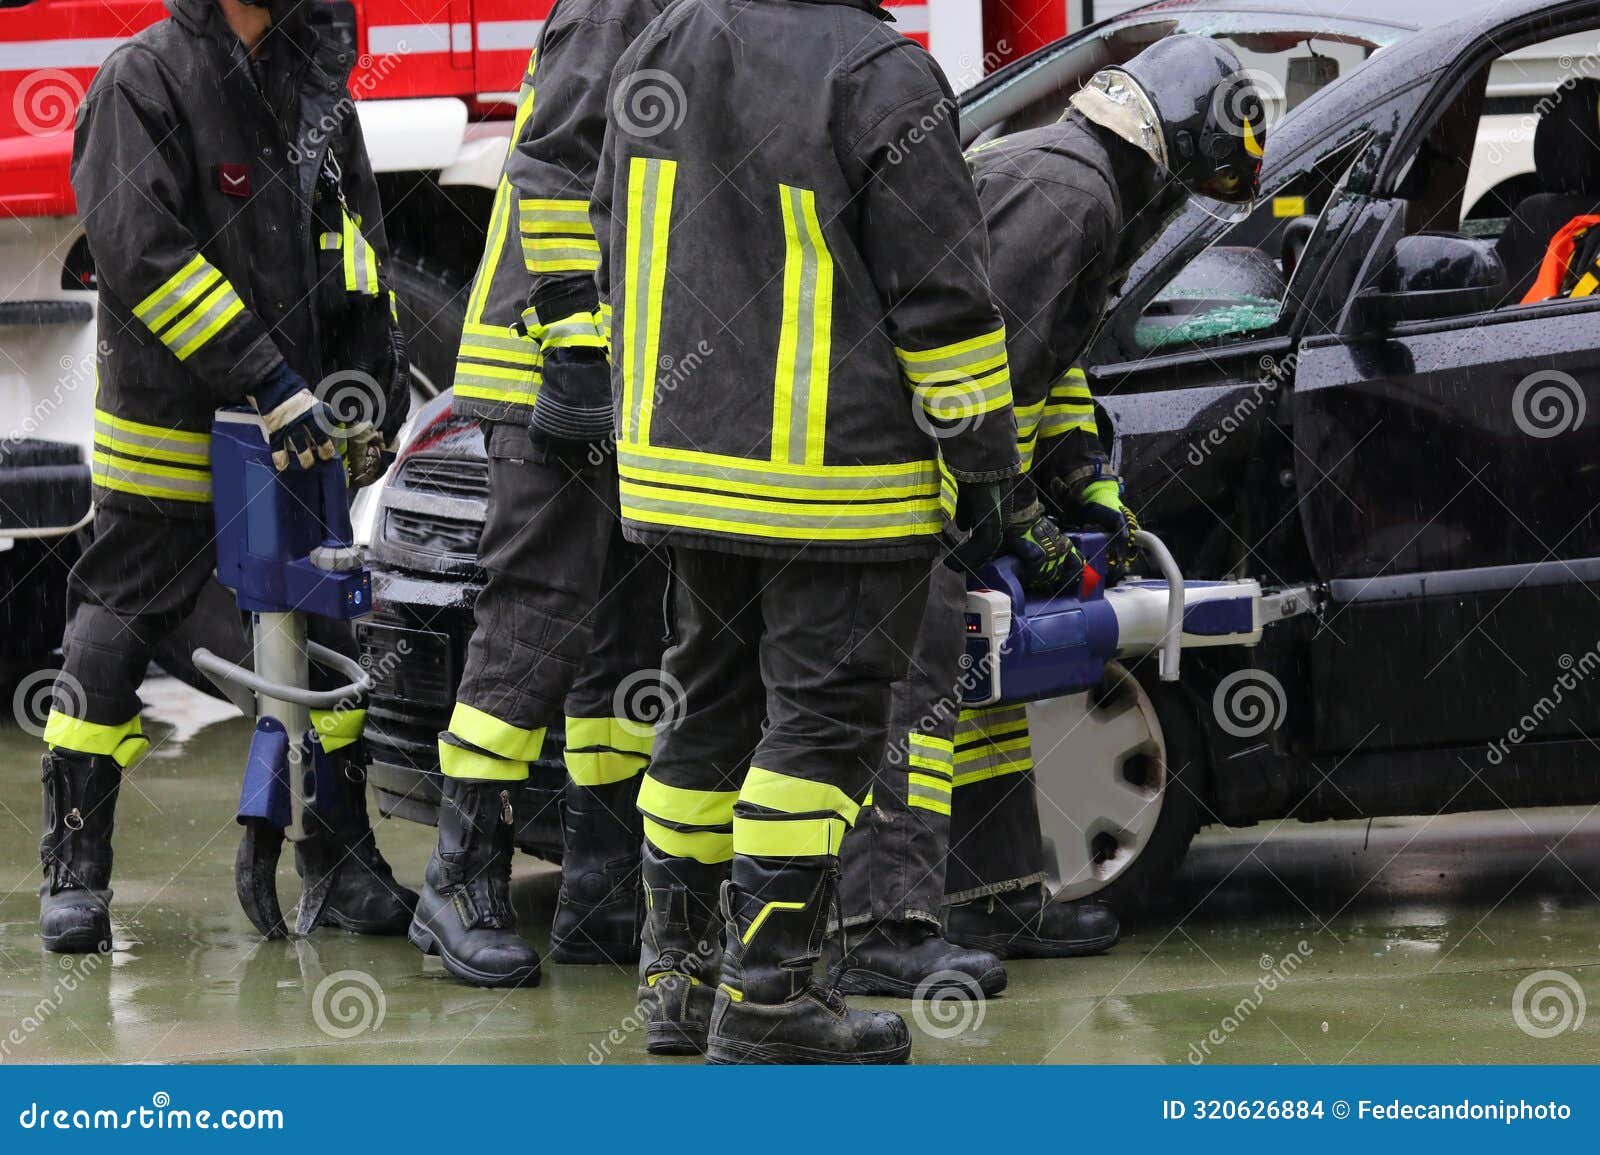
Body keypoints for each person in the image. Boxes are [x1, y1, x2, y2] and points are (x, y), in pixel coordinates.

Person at [595, 0, 1021, 1064]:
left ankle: (677, 984)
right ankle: (773, 994)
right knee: (822, 726)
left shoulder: (663, 44)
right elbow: (943, 300)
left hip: (681, 471)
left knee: (707, 710)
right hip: (830, 480)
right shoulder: (878, 73)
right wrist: (983, 470)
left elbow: (611, 231)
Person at [836, 35, 1268, 977]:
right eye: (1188, 183)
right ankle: (885, 930)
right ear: (1164, 147)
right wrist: (1006, 508)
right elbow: (977, 368)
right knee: (913, 679)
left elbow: (1047, 361)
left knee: (980, 690)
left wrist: (1085, 481)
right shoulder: (1070, 196)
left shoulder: (1085, 191)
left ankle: (990, 898)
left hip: (956, 466)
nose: (1177, 210)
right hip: (914, 465)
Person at [45, 0, 414, 954]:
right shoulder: (144, 78)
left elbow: (358, 247)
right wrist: (267, 379)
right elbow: (144, 257)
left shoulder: (319, 85)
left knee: (328, 630)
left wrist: (369, 381)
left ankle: (339, 860)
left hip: (297, 432)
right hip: (173, 425)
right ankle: (74, 869)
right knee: (119, 621)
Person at [408, 0, 674, 990]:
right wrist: (570, 338)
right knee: (537, 618)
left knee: (625, 630)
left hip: (625, 381)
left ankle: (603, 889)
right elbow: (552, 163)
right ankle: (459, 877)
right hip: (552, 370)